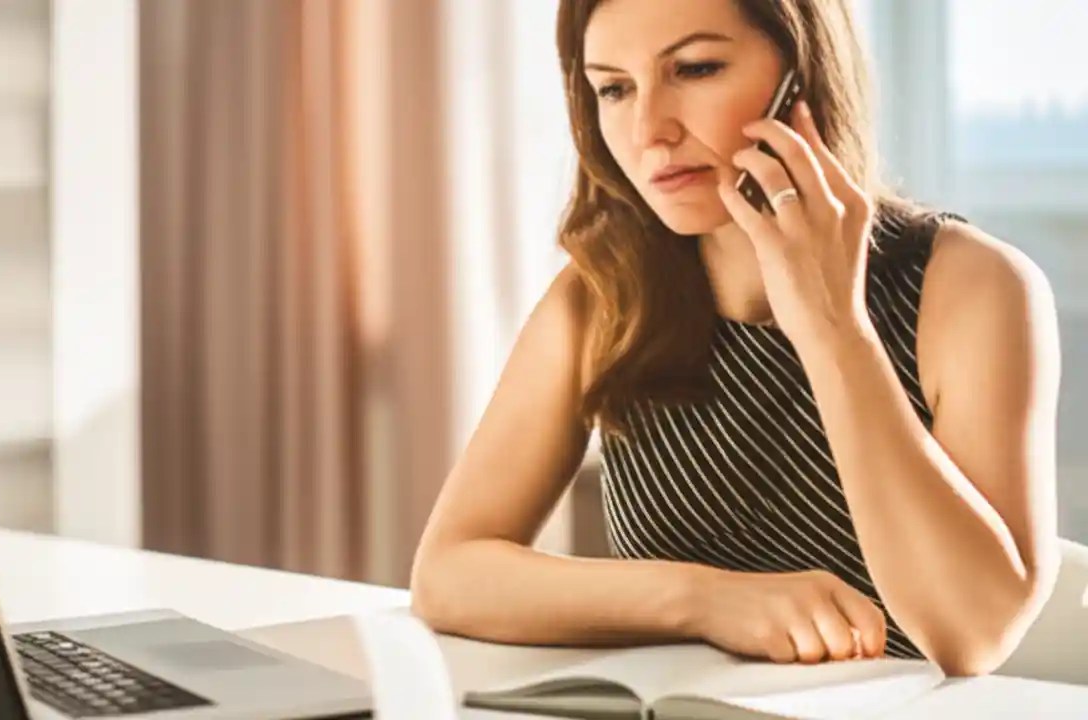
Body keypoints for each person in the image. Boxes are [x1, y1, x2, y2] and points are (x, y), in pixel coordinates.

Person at [410, 0, 1062, 677]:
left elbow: (973, 635)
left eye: (695, 68)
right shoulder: (603, 296)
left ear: (801, 75)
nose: (648, 131)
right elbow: (449, 574)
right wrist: (704, 599)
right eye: (614, 87)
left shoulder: (975, 288)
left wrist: (831, 326)